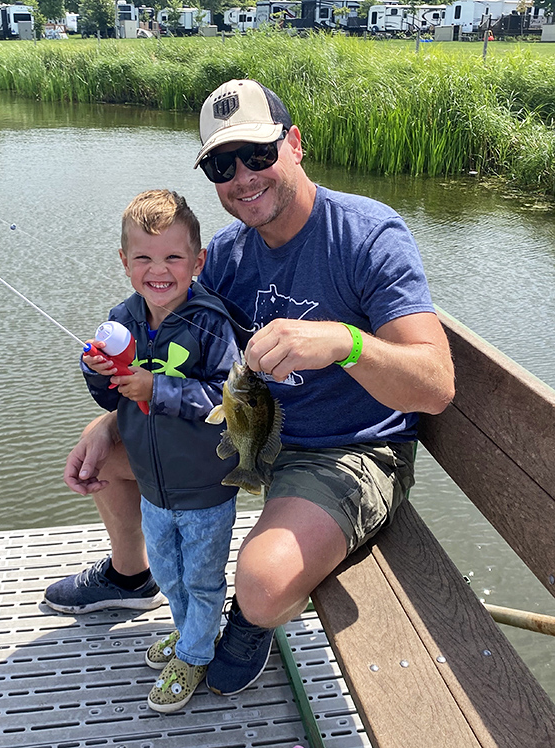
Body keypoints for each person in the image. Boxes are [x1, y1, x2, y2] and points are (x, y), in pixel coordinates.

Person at [45, 80, 455, 698]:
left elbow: (436, 386)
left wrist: (344, 342)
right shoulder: (227, 256)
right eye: (221, 163)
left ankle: (246, 618)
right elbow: (189, 370)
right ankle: (132, 576)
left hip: (343, 450)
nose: (242, 176)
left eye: (258, 154)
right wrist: (110, 418)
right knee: (104, 453)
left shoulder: (368, 235)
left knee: (261, 586)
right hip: (242, 430)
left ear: (294, 144)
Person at [47, 189, 241, 712]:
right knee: (170, 572)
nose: (160, 270)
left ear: (198, 261)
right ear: (124, 262)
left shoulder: (211, 323)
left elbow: (229, 400)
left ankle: (197, 655)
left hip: (206, 484)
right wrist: (97, 372)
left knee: (201, 579)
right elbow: (109, 397)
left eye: (174, 257)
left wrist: (159, 390)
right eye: (144, 258)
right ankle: (187, 637)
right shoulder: (123, 319)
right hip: (153, 485)